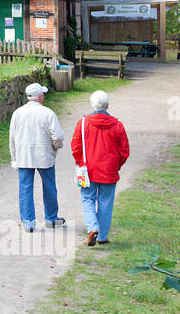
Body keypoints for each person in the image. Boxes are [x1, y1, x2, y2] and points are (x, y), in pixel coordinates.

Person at [71, 90, 131, 247]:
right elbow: (124, 151)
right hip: (109, 169)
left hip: (88, 168)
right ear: (107, 105)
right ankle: (102, 236)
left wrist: (80, 162)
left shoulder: (83, 123)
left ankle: (93, 227)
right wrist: (116, 165)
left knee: (87, 199)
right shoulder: (117, 125)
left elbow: (76, 146)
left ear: (92, 104)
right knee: (105, 202)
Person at [8, 82, 66, 232]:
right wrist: (57, 145)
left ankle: (28, 221)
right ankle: (51, 218)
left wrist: (14, 157)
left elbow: (12, 138)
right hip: (44, 154)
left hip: (24, 155)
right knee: (49, 186)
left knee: (25, 188)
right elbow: (57, 136)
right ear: (40, 97)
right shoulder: (48, 113)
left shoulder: (18, 113)